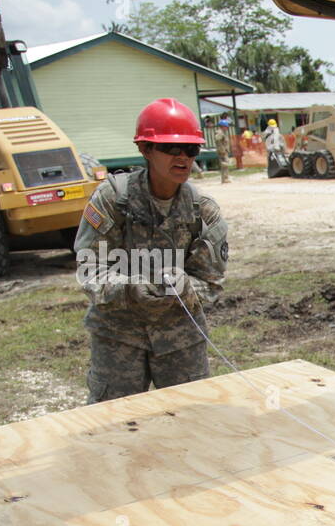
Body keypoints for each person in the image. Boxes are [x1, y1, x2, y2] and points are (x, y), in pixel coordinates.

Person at [74, 97, 229, 404]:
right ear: (145, 149)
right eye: (172, 149)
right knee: (114, 425)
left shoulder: (203, 212)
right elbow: (90, 271)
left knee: (193, 420)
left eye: (191, 149)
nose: (183, 157)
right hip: (119, 336)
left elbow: (210, 282)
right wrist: (132, 288)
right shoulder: (112, 200)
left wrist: (185, 287)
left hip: (180, 339)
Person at [215, 117, 232, 183]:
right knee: (225, 164)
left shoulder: (223, 132)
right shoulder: (220, 132)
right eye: (226, 126)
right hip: (222, 151)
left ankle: (225, 178)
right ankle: (225, 178)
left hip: (224, 150)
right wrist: (222, 150)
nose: (227, 128)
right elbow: (218, 141)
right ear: (223, 126)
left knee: (225, 164)